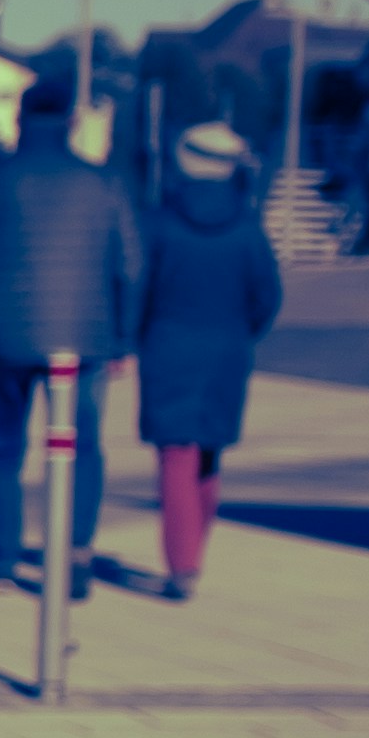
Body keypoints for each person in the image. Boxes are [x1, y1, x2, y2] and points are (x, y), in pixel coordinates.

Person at [0, 80, 146, 583]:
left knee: (3, 447)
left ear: (19, 121)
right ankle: (74, 555)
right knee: (82, 446)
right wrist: (124, 338)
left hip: (5, 337)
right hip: (85, 340)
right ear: (72, 122)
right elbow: (131, 266)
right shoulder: (105, 184)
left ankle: (3, 556)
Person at [134, 120, 287, 601]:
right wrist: (240, 331)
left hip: (167, 348)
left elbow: (137, 287)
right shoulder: (247, 227)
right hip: (227, 351)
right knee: (208, 455)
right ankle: (194, 551)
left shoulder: (157, 223)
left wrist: (135, 335)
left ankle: (182, 565)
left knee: (175, 455)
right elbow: (267, 296)